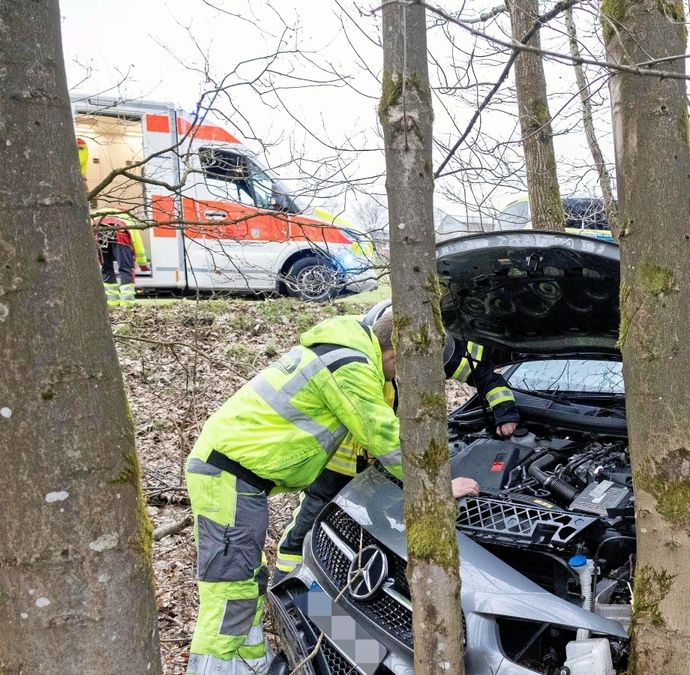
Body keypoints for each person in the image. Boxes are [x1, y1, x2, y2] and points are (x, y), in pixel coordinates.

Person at [182, 311, 481, 674]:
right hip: (238, 474)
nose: (399, 376)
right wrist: (436, 487)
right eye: (402, 366)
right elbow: (383, 434)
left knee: (245, 580)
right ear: (396, 352)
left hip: (248, 477)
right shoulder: (350, 365)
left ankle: (254, 659)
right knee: (232, 586)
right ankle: (221, 666)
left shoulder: (350, 352)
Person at [273, 335, 520, 577]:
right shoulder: (357, 367)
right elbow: (381, 436)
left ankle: (334, 593)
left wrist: (505, 410)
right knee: (304, 539)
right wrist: (438, 487)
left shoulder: (425, 338)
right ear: (391, 351)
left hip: (380, 466)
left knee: (360, 546)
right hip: (337, 467)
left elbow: (479, 369)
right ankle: (294, 591)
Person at [93, 209, 148, 306]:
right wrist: (143, 264)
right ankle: (127, 303)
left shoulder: (97, 215)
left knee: (106, 269)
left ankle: (112, 302)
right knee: (125, 269)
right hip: (120, 234)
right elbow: (137, 243)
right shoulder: (127, 218)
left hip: (100, 233)